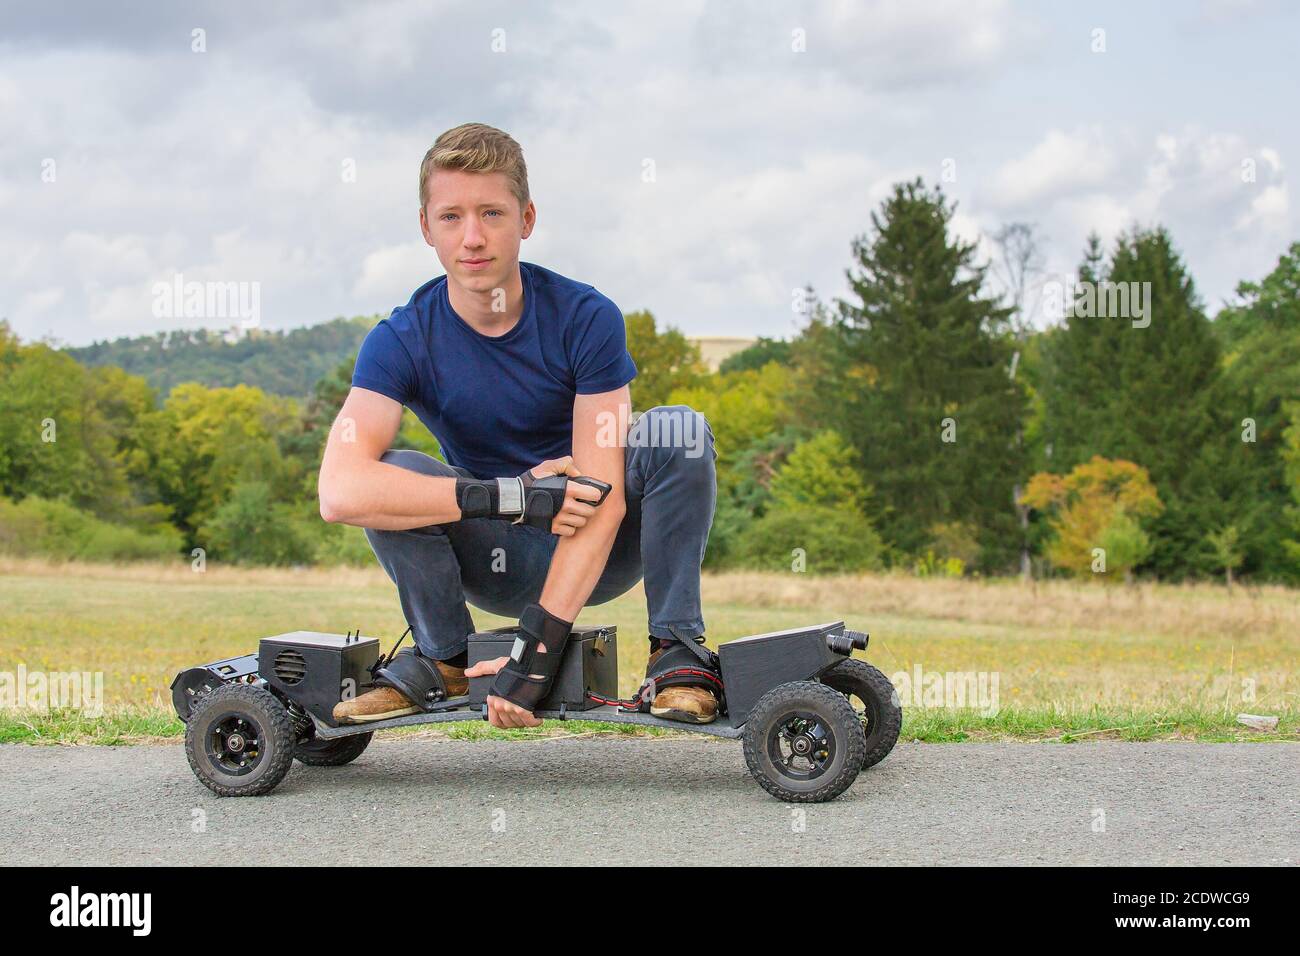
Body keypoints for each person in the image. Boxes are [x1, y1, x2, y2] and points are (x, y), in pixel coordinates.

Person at [317, 122, 720, 729]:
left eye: (492, 214)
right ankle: (444, 659)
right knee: (392, 473)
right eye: (451, 217)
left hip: (597, 546)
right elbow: (339, 492)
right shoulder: (400, 339)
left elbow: (603, 498)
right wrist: (513, 498)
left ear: (526, 219)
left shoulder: (587, 317)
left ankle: (677, 653)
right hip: (492, 547)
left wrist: (536, 655)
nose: (473, 238)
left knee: (677, 431)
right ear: (425, 227)